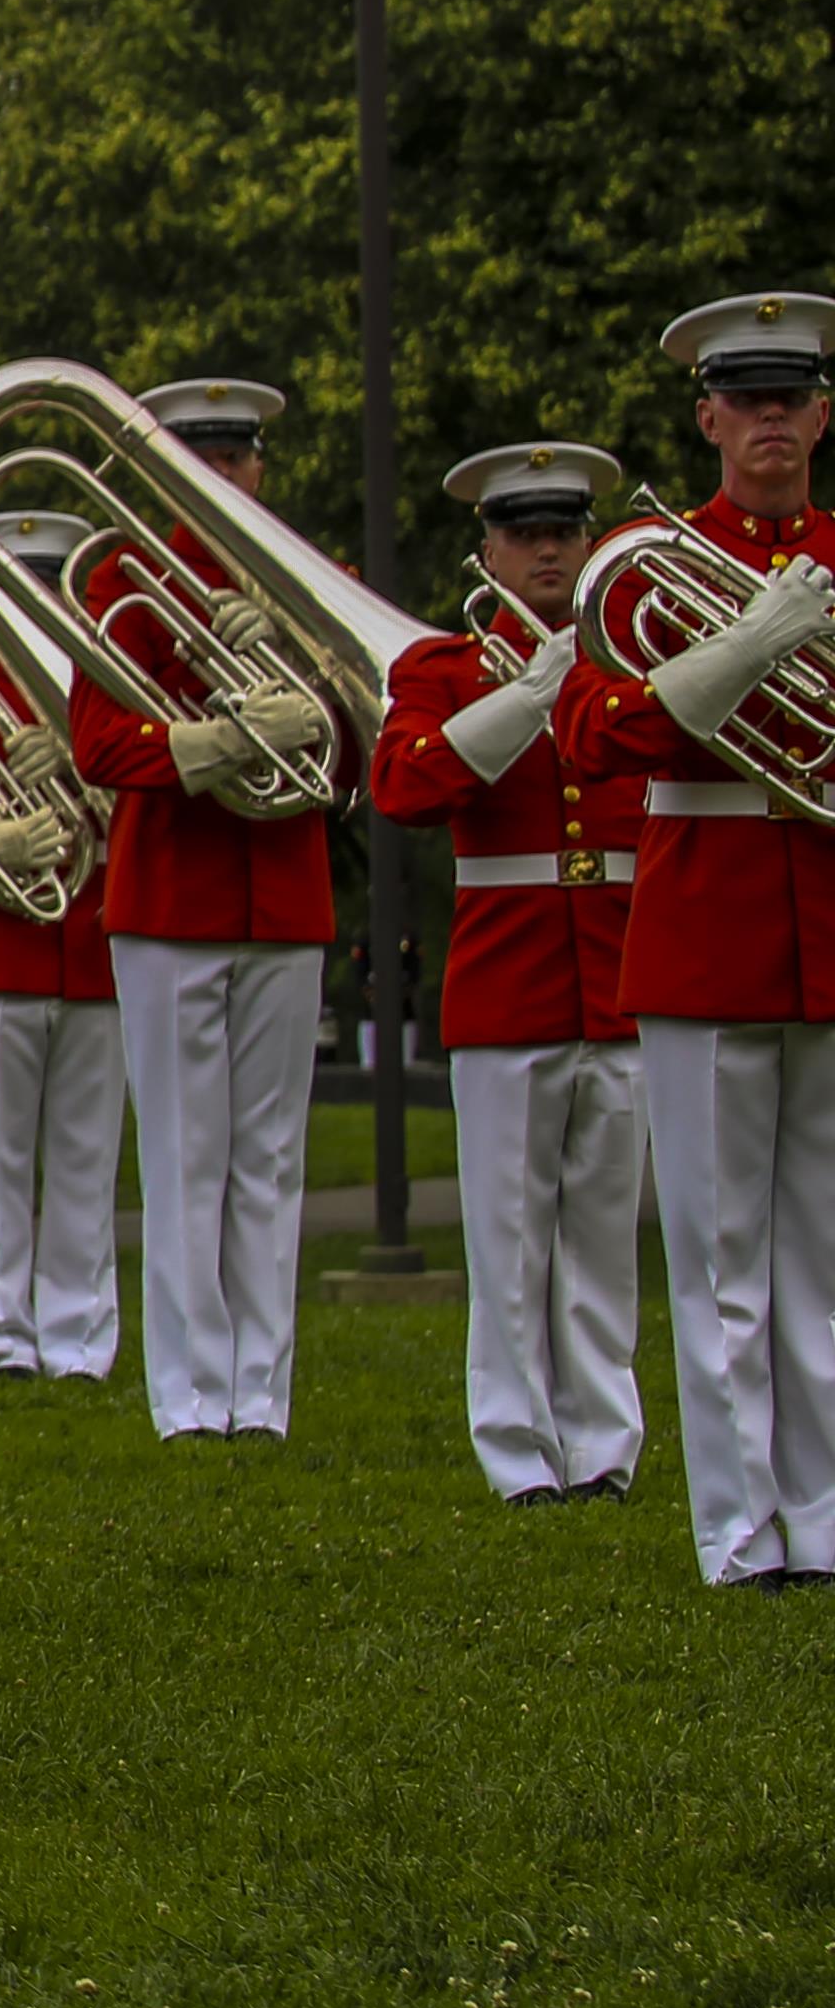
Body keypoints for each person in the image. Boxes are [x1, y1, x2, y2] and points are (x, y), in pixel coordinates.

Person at [561, 294, 835, 1587]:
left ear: (823, 415)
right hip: (705, 925)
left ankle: (825, 1523)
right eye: (749, 399)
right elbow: (594, 733)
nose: (771, 420)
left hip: (828, 927)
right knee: (723, 1258)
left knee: (824, 1252)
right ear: (708, 417)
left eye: (794, 397)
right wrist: (744, 649)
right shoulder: (641, 562)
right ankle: (740, 1536)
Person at [56, 377, 341, 1439]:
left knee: (269, 1158)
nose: (226, 477)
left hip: (286, 890)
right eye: (202, 460)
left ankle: (260, 1396)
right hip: (171, 892)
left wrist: (299, 658)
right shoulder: (124, 581)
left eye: (239, 458)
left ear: (261, 468)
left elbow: (361, 735)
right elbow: (97, 743)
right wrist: (208, 739)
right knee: (184, 1155)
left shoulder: (317, 580)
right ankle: (187, 1396)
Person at [368, 440, 650, 1505]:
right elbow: (402, 786)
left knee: (602, 1241)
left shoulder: (635, 651)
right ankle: (517, 1451)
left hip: (616, 968)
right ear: (486, 545)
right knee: (508, 1237)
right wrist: (523, 700)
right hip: (506, 978)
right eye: (524, 531)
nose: (547, 550)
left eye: (564, 531)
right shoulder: (442, 669)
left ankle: (606, 1449)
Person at [0, 509, 127, 1380]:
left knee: (87, 1157)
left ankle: (81, 1335)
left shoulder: (111, 688)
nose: (33, 603)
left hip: (90, 945)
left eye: (47, 586)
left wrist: (85, 765)